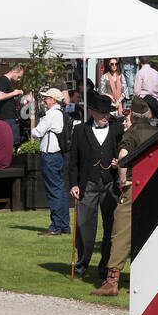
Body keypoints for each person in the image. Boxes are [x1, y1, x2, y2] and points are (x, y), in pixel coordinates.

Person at [91, 97, 158, 297]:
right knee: (149, 236)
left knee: (120, 234)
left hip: (133, 188)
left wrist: (122, 182)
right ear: (149, 115)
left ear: (133, 116)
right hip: (155, 190)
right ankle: (147, 281)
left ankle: (112, 282)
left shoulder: (132, 133)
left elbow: (122, 158)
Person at [69, 92, 123, 282]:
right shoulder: (80, 130)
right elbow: (73, 161)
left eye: (107, 113)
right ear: (91, 112)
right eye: (101, 114)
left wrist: (119, 163)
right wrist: (74, 184)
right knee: (84, 225)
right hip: (88, 183)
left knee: (111, 227)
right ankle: (82, 264)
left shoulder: (117, 130)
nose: (105, 117)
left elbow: (124, 154)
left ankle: (105, 267)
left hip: (110, 184)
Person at [31, 86, 70, 235]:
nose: (44, 101)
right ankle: (64, 225)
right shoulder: (61, 113)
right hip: (58, 156)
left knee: (54, 191)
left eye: (46, 98)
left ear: (53, 100)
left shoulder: (51, 114)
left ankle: (56, 226)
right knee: (60, 190)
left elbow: (37, 132)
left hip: (50, 156)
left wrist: (35, 127)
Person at [0, 64, 26, 146]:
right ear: (14, 72)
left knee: (12, 141)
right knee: (9, 142)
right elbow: (0, 96)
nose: (18, 79)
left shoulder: (7, 81)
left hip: (10, 117)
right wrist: (14, 93)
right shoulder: (3, 80)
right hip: (6, 117)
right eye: (18, 76)